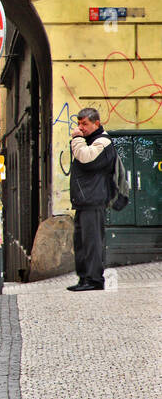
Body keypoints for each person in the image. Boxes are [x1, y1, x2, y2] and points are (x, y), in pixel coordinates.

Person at [68, 108, 115, 292]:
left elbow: (86, 158)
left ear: (96, 123)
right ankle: (84, 278)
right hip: (83, 201)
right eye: (79, 124)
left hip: (93, 200)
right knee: (81, 242)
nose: (81, 128)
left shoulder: (103, 142)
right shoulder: (90, 141)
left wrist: (77, 139)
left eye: (85, 124)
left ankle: (94, 279)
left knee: (92, 242)